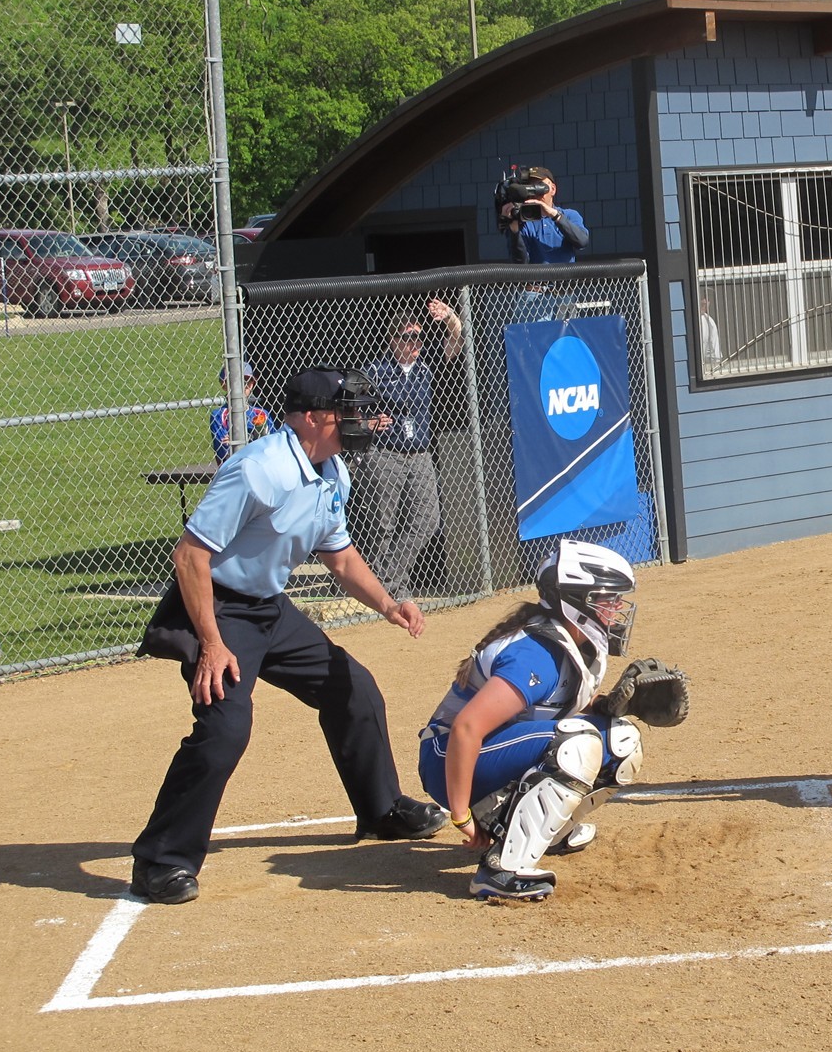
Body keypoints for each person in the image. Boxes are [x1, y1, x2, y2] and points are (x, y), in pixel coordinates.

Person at [131, 368, 449, 905]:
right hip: (218, 611)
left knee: (353, 689)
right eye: (343, 412)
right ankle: (161, 860)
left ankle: (381, 811)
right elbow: (190, 556)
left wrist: (389, 603)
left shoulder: (332, 473)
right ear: (306, 418)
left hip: (270, 610)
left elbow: (341, 557)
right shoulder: (260, 470)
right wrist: (210, 642)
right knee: (224, 731)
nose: (356, 421)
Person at [418, 540, 655, 901]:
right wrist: (462, 814)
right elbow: (467, 728)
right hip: (450, 759)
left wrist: (611, 706)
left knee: (622, 741)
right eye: (606, 599)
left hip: (491, 749)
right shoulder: (537, 655)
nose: (617, 608)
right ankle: (500, 872)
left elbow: (553, 708)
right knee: (577, 745)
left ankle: (548, 833)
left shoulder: (567, 640)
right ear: (576, 601)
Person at [356, 303, 463, 603]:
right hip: (385, 453)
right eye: (407, 337)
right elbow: (348, 414)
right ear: (393, 341)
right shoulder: (376, 370)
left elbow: (456, 338)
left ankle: (386, 580)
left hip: (420, 453)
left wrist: (450, 317)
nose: (414, 343)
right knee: (383, 523)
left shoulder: (426, 366)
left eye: (418, 337)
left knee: (428, 520)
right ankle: (386, 590)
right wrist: (369, 423)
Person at [503, 166, 589, 265]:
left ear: (552, 189)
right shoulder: (524, 222)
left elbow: (582, 242)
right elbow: (520, 263)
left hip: (565, 279)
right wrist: (514, 231)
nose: (534, 192)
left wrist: (555, 216)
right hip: (538, 280)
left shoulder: (569, 215)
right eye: (530, 187)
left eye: (540, 186)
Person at [210, 361, 270, 465]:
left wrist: (237, 440)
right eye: (238, 380)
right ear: (224, 385)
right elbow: (226, 452)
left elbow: (272, 448)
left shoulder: (261, 413)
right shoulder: (219, 415)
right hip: (232, 470)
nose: (245, 384)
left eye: (248, 380)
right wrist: (255, 439)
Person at [697, 293, 722, 372]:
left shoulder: (708, 321)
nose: (705, 305)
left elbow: (714, 350)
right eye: (702, 303)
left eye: (706, 302)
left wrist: (715, 367)